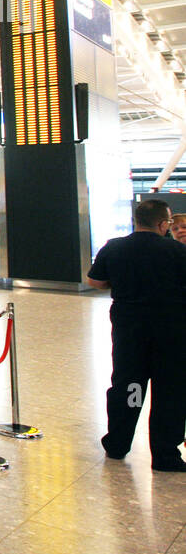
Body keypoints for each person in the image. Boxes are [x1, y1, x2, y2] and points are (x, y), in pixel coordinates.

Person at [86, 199, 186, 472]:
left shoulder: (114, 247)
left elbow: (95, 281)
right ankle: (165, 456)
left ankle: (118, 444)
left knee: (129, 387)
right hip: (171, 333)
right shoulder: (177, 251)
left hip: (129, 332)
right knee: (170, 393)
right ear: (163, 224)